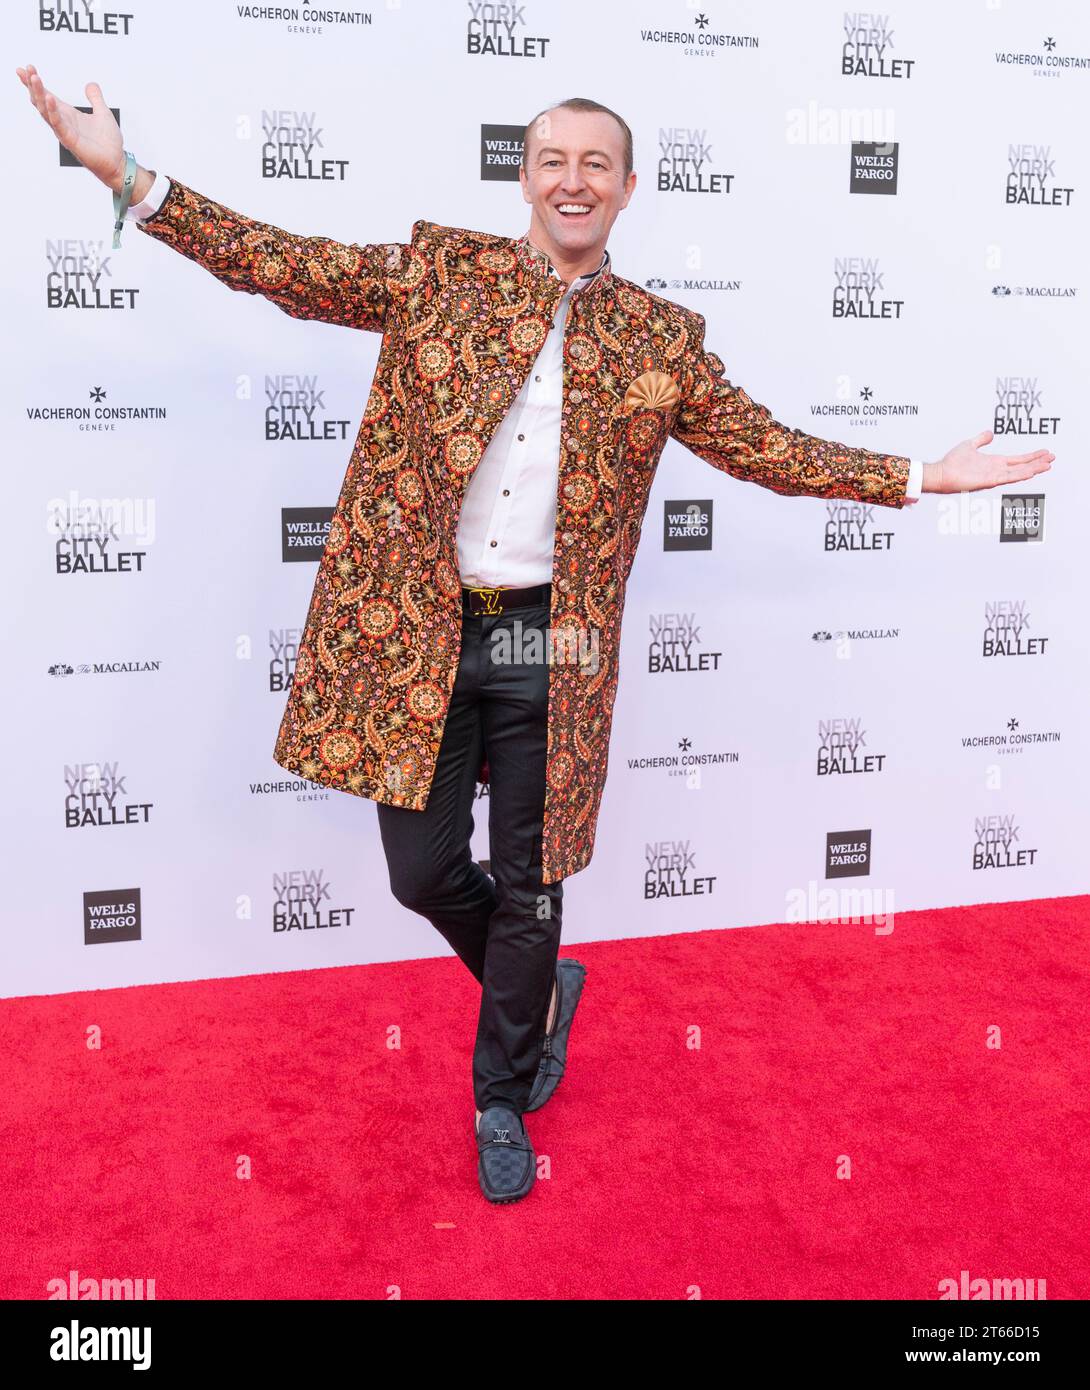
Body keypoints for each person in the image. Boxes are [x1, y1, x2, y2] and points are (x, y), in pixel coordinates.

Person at [17, 67, 1054, 1205]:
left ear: (627, 189)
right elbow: (283, 264)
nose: (573, 180)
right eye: (553, 160)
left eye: (595, 164)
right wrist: (127, 175)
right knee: (420, 874)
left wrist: (920, 474)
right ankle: (539, 989)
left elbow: (768, 445)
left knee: (532, 879)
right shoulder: (439, 271)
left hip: (547, 643)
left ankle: (498, 1092)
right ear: (525, 176)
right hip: (413, 629)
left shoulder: (662, 338)